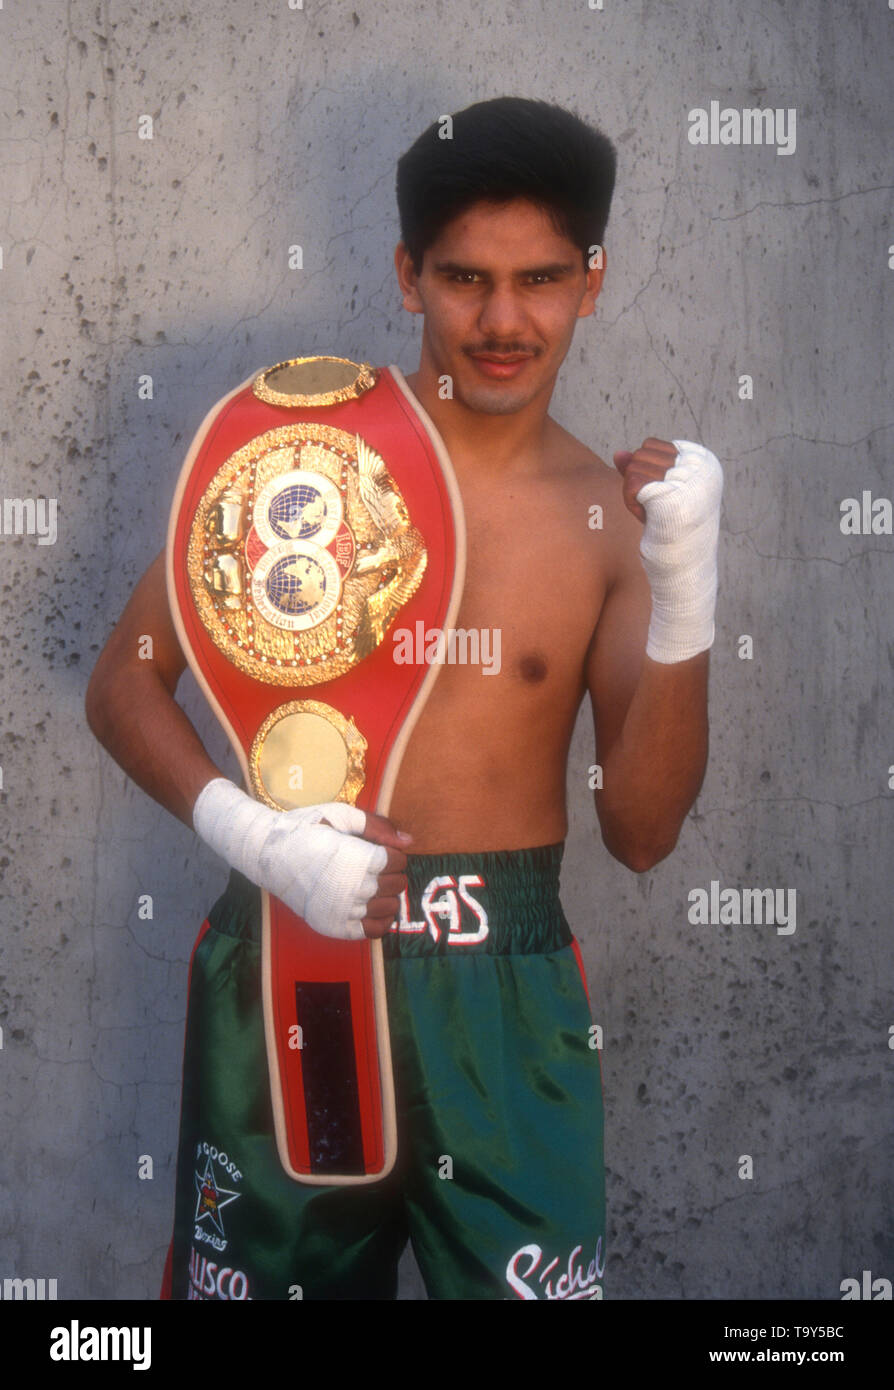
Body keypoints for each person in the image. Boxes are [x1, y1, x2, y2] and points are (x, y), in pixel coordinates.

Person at [85, 96, 722, 1301]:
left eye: (539, 279)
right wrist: (251, 835)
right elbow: (124, 681)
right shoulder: (297, 463)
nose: (500, 320)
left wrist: (688, 589)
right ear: (407, 275)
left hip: (505, 987)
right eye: (464, 278)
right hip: (290, 954)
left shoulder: (607, 523)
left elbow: (641, 831)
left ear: (592, 281)